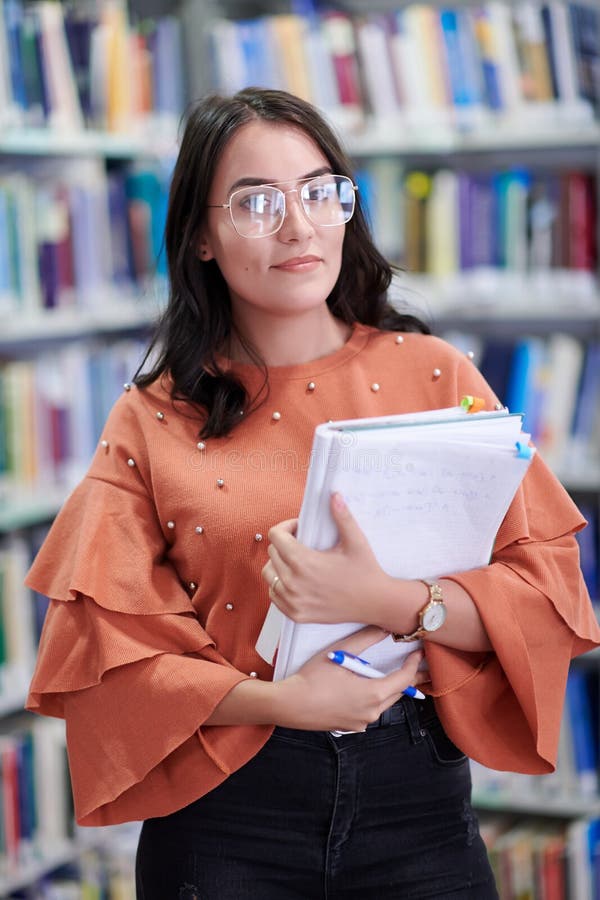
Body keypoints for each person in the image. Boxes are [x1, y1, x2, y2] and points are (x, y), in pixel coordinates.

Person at [25, 87, 600, 900]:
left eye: (321, 191)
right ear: (200, 237)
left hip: (421, 805)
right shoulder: (152, 416)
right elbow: (112, 657)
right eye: (257, 202)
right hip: (227, 817)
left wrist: (394, 598)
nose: (298, 226)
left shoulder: (435, 375)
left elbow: (546, 600)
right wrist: (282, 700)